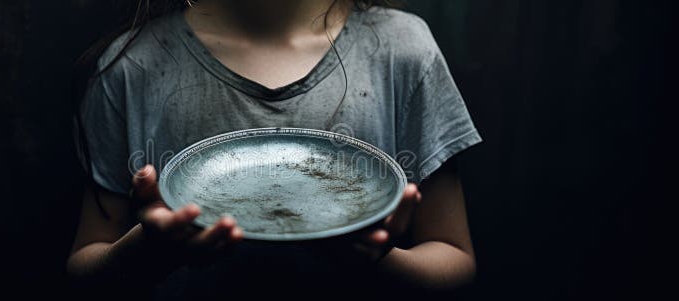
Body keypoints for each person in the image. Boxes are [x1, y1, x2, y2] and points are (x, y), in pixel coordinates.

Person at [67, 0, 482, 299]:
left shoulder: (402, 52)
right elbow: (84, 270)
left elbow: (455, 261)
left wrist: (374, 262)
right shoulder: (130, 69)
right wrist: (150, 252)